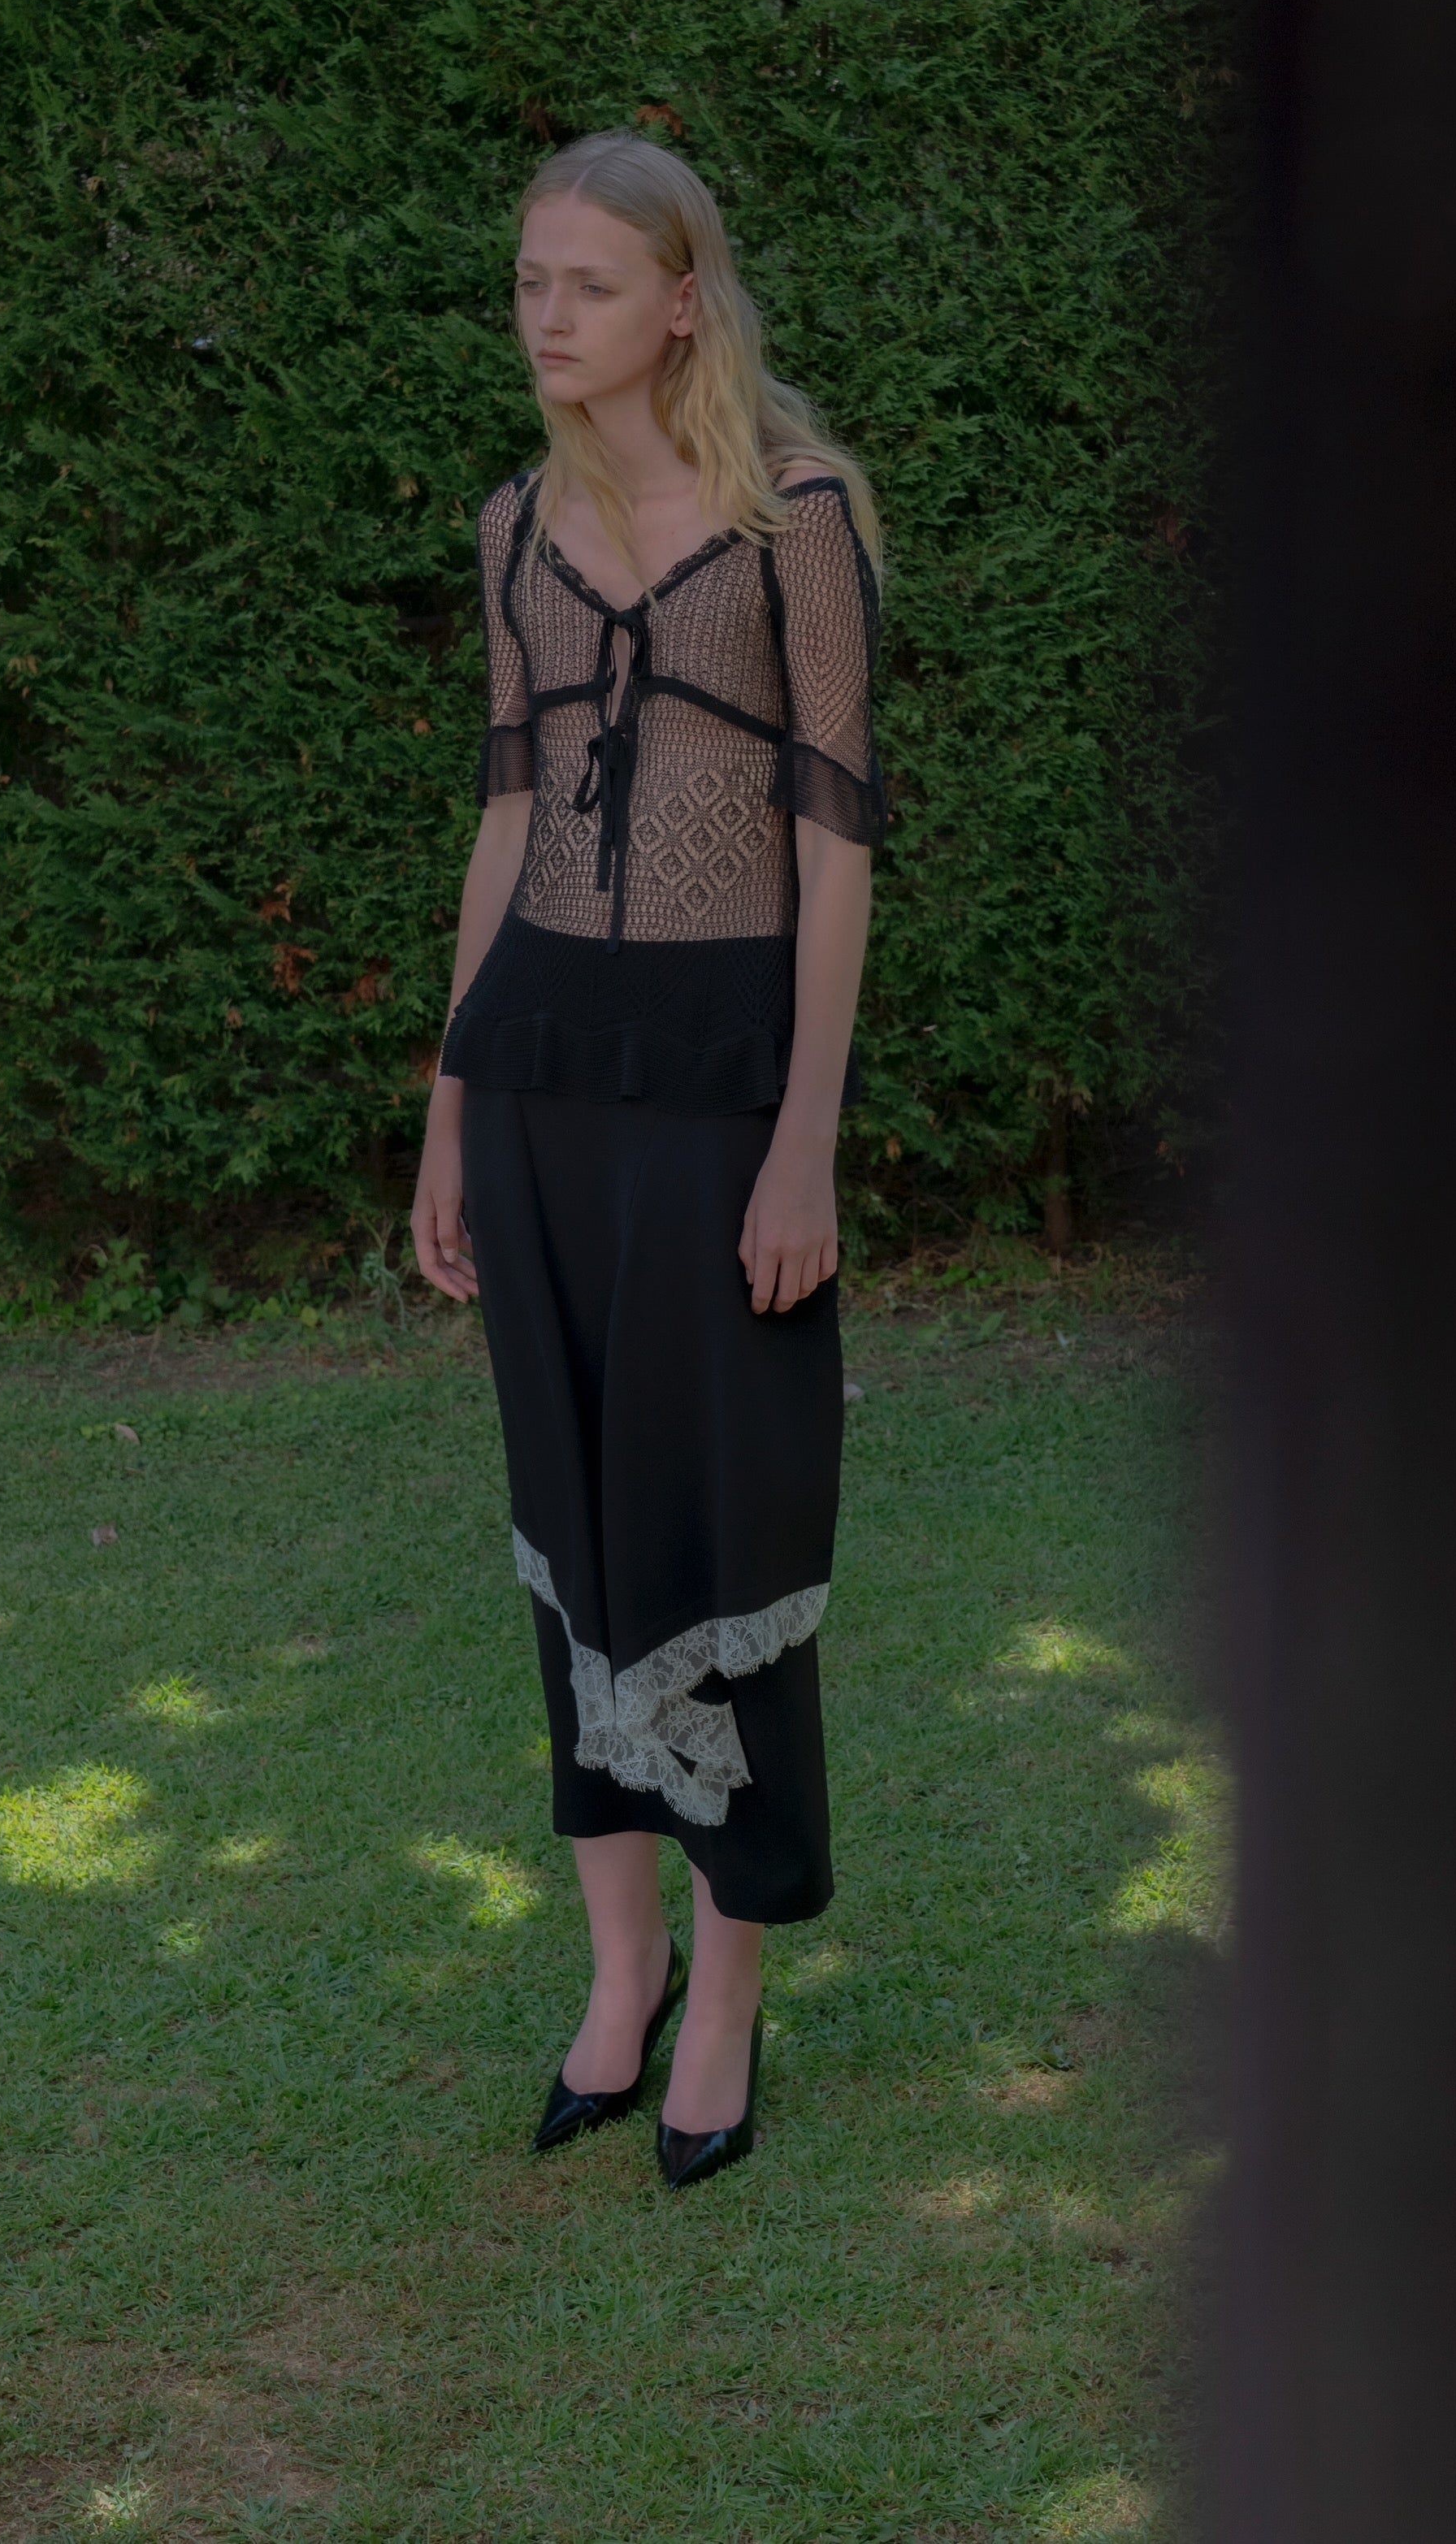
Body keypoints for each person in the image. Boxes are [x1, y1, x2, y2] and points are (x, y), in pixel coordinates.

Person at [410, 132, 885, 2190]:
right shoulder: (515, 526)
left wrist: (806, 1142)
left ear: (683, 303)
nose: (548, 316)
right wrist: (448, 1105)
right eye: (531, 281)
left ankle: (727, 1993)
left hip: (718, 1087)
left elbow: (836, 845)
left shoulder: (799, 518)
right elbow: (507, 819)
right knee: (572, 1524)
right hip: (536, 1078)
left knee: (720, 1531)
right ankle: (616, 1976)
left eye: (588, 284)